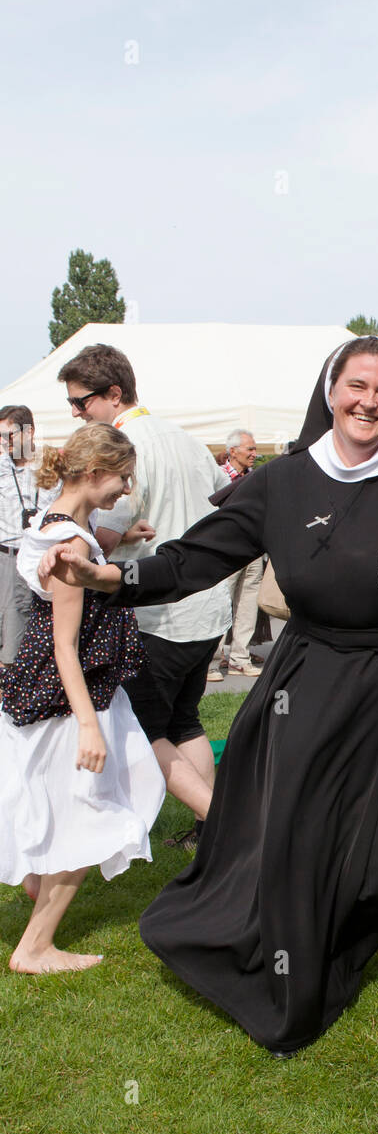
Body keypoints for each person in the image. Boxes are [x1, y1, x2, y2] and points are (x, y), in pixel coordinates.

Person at [40, 337, 378, 1054]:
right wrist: (117, 581)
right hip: (314, 672)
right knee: (299, 827)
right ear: (332, 390)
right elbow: (196, 556)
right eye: (357, 385)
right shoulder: (283, 482)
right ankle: (293, 958)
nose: (369, 401)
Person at [0, 424, 164, 973]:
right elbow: (66, 647)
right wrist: (89, 724)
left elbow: (94, 541)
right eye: (121, 478)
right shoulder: (67, 546)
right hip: (72, 694)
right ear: (93, 473)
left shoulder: (62, 522)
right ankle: (35, 947)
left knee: (69, 797)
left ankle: (35, 885)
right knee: (89, 809)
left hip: (62, 689)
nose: (124, 488)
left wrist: (126, 537)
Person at [56, 343, 231, 824]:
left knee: (143, 729)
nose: (75, 413)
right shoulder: (185, 438)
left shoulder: (122, 448)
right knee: (183, 721)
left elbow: (101, 541)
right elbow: (225, 510)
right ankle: (208, 832)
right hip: (205, 607)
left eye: (81, 401)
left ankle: (221, 824)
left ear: (113, 393)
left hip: (157, 613)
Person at [0, 405, 60, 665]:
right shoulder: (2, 466)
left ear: (30, 431)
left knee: (21, 639)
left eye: (9, 435)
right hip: (5, 555)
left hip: (37, 559)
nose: (4, 442)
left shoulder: (51, 467)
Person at [207, 430, 265, 681]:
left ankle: (240, 658)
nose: (254, 454)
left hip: (252, 548)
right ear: (233, 452)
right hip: (226, 549)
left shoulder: (255, 477)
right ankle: (211, 661)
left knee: (248, 604)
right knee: (221, 604)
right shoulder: (218, 477)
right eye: (249, 449)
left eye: (254, 449)